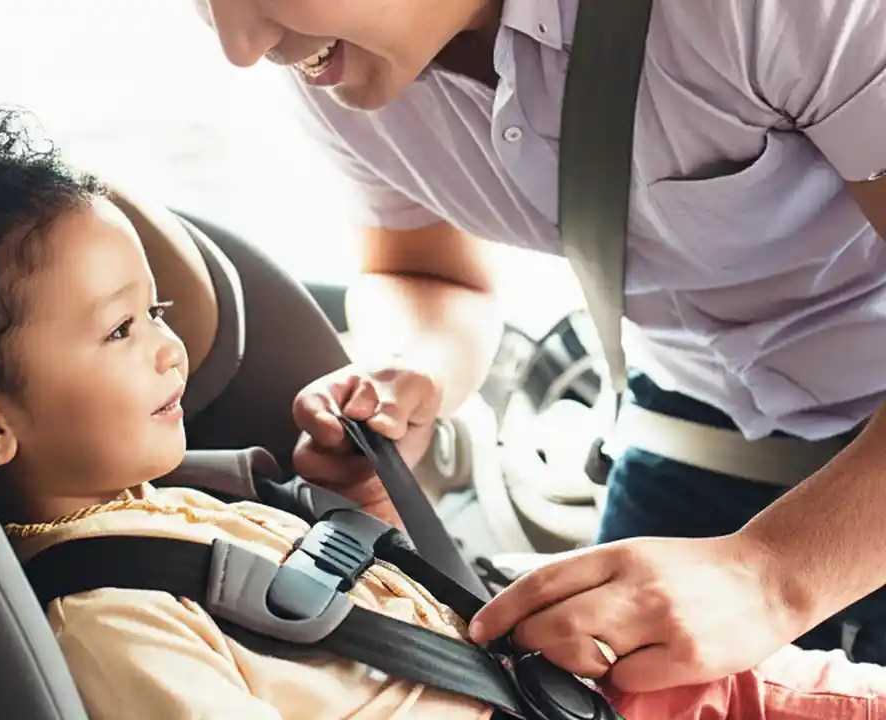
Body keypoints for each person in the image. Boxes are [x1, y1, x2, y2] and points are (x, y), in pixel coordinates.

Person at [0, 106, 886, 719]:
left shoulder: (210, 501)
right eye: (116, 331)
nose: (172, 345)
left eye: (158, 309)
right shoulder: (107, 609)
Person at [193, 0, 886, 693]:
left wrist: (772, 575)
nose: (241, 49)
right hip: (688, 422)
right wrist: (410, 372)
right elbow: (425, 271)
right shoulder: (346, 72)